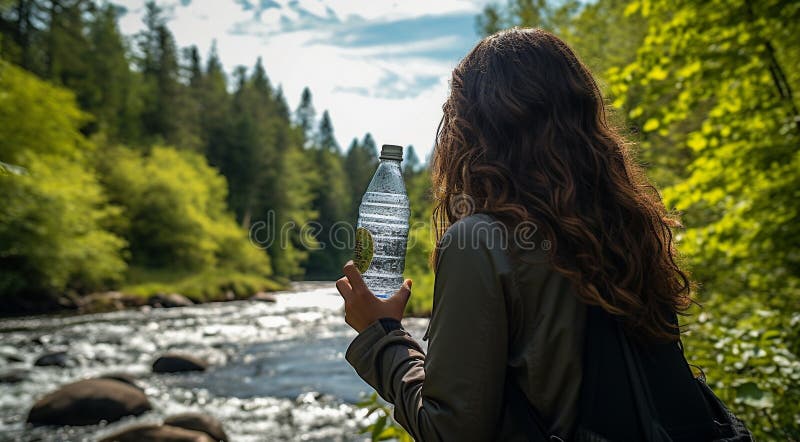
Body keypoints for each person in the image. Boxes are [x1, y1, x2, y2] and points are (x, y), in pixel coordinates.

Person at [335, 28, 718, 441]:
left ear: (469, 128)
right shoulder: (628, 227)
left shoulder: (480, 242)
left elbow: (450, 430)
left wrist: (383, 336)